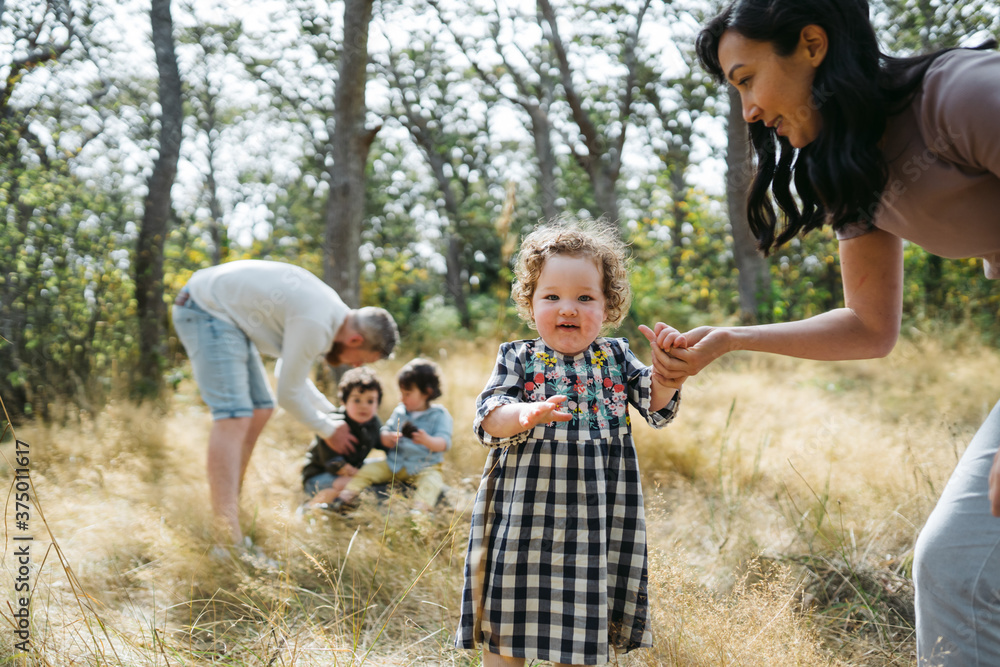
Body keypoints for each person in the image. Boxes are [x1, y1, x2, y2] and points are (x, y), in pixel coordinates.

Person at [666, 2, 1000, 664]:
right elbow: (869, 326)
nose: (749, 111)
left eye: (745, 78)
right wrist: (731, 340)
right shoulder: (852, 167)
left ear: (812, 44)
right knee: (955, 568)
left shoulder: (959, 96)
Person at [454, 218, 686, 667]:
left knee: (581, 631)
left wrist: (669, 370)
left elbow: (656, 405)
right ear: (530, 301)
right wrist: (525, 413)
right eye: (552, 296)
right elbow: (488, 418)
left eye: (585, 297)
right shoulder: (518, 358)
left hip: (595, 523)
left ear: (608, 305)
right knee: (508, 625)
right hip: (524, 521)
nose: (568, 309)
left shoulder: (616, 357)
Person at [171, 259, 399, 551]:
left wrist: (329, 413)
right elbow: (288, 394)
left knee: (259, 408)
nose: (354, 365)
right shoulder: (317, 323)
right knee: (235, 416)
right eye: (360, 359)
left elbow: (289, 372)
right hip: (205, 308)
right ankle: (226, 541)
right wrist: (329, 429)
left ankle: (229, 512)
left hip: (226, 317)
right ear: (355, 339)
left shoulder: (330, 315)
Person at [331, 357, 453, 512]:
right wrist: (387, 437)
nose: (402, 398)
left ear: (427, 392)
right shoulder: (400, 411)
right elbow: (384, 432)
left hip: (424, 466)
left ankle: (419, 513)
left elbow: (444, 443)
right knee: (368, 470)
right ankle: (344, 499)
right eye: (401, 393)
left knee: (431, 482)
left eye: (407, 393)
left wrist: (427, 440)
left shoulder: (439, 415)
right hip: (394, 463)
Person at [300, 366, 385, 511]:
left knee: (379, 468)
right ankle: (310, 507)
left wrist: (394, 443)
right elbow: (332, 462)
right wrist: (354, 473)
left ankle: (342, 507)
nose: (363, 406)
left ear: (377, 404)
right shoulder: (334, 424)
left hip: (350, 473)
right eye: (357, 400)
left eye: (370, 401)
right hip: (319, 477)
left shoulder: (373, 423)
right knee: (352, 483)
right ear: (344, 402)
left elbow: (383, 443)